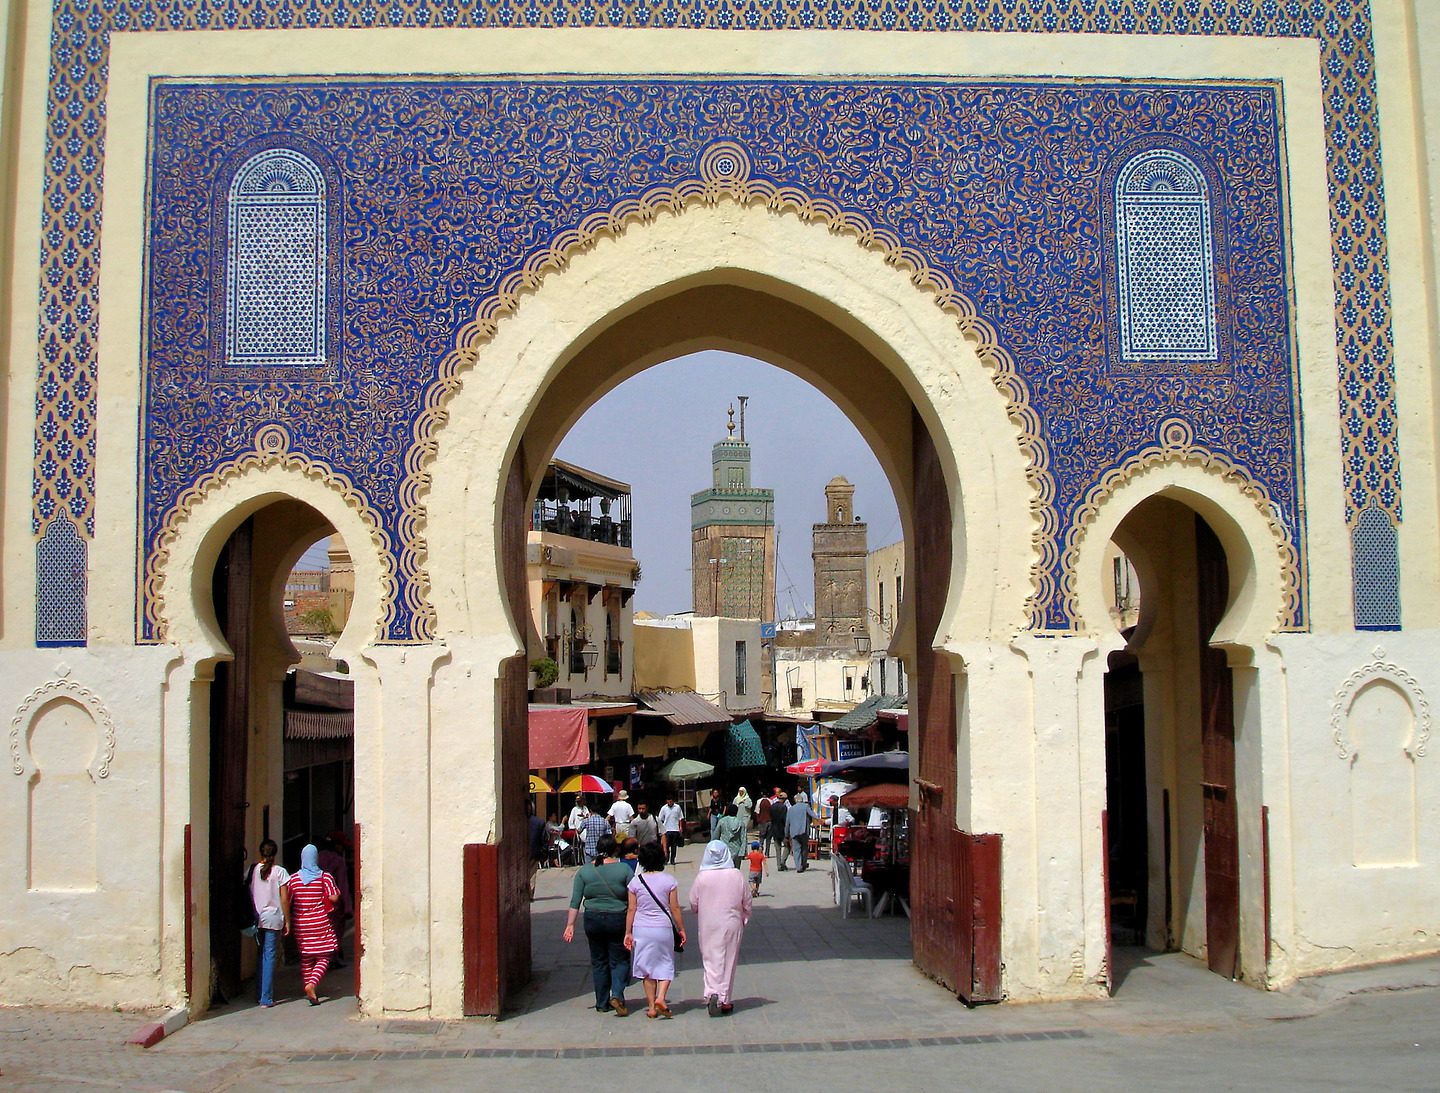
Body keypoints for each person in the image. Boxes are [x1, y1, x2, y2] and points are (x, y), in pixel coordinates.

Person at [562, 834, 633, 1016]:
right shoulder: (624, 869)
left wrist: (570, 925)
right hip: (618, 918)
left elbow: (575, 901)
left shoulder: (584, 871)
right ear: (615, 849)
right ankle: (617, 994)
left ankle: (602, 1002)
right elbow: (635, 897)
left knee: (599, 961)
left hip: (593, 919)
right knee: (620, 959)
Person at [688, 841, 752, 1016]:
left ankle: (711, 992)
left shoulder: (702, 877)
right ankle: (724, 999)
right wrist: (744, 915)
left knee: (710, 958)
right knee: (729, 960)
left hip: (709, 923)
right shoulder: (736, 875)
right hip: (732, 922)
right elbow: (747, 900)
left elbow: (693, 902)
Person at [624, 841, 686, 1019]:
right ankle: (661, 997)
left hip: (641, 928)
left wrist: (628, 932)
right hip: (662, 928)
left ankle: (651, 1007)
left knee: (646, 967)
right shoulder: (669, 880)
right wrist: (681, 928)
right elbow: (674, 908)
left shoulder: (636, 882)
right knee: (666, 963)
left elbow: (631, 909)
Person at [287, 843, 341, 1005]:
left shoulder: (293, 879)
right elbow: (333, 898)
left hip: (301, 924)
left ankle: (309, 988)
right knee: (324, 956)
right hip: (320, 922)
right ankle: (312, 984)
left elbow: (288, 900)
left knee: (306, 957)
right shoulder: (324, 877)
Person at [245, 839, 289, 1008]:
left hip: (257, 918)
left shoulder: (251, 870)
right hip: (273, 917)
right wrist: (288, 920)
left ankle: (259, 993)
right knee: (270, 955)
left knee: (260, 954)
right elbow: (284, 898)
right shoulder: (280, 872)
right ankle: (266, 997)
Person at [317, 836, 352, 967]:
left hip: (315, 900)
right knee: (335, 930)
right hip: (334, 903)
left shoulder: (316, 859)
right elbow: (343, 884)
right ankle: (332, 958)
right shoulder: (338, 861)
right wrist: (348, 907)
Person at [785, 792, 816, 873]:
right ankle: (804, 863)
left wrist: (786, 834)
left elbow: (787, 822)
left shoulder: (791, 809)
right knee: (804, 848)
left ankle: (798, 866)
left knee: (796, 850)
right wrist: (819, 819)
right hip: (804, 831)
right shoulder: (806, 806)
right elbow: (812, 814)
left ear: (795, 800)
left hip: (794, 832)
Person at [527, 804, 548, 898]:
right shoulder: (539, 822)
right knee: (532, 873)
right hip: (534, 852)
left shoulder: (518, 821)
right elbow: (544, 839)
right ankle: (530, 893)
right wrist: (544, 852)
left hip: (521, 853)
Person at [715, 803, 746, 867]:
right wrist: (743, 852)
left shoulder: (722, 821)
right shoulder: (741, 823)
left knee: (725, 869)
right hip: (737, 850)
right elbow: (743, 838)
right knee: (736, 870)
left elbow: (716, 836)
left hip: (724, 849)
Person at [658, 795, 685, 864]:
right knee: (666, 845)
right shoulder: (664, 808)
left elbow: (680, 818)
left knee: (674, 846)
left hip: (675, 829)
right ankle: (666, 858)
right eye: (668, 800)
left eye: (671, 800)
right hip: (666, 829)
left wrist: (681, 827)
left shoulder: (677, 807)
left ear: (673, 800)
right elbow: (660, 819)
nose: (669, 801)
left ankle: (673, 859)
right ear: (666, 801)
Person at [769, 792, 790, 870]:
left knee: (777, 848)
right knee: (787, 846)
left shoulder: (772, 806)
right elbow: (785, 820)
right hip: (782, 830)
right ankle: (782, 861)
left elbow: (771, 817)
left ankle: (778, 865)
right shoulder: (784, 807)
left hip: (774, 829)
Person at [755, 791, 774, 857]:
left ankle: (760, 851)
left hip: (762, 821)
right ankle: (767, 853)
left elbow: (757, 812)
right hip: (769, 821)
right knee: (768, 838)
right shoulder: (771, 801)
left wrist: (758, 820)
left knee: (761, 837)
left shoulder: (759, 801)